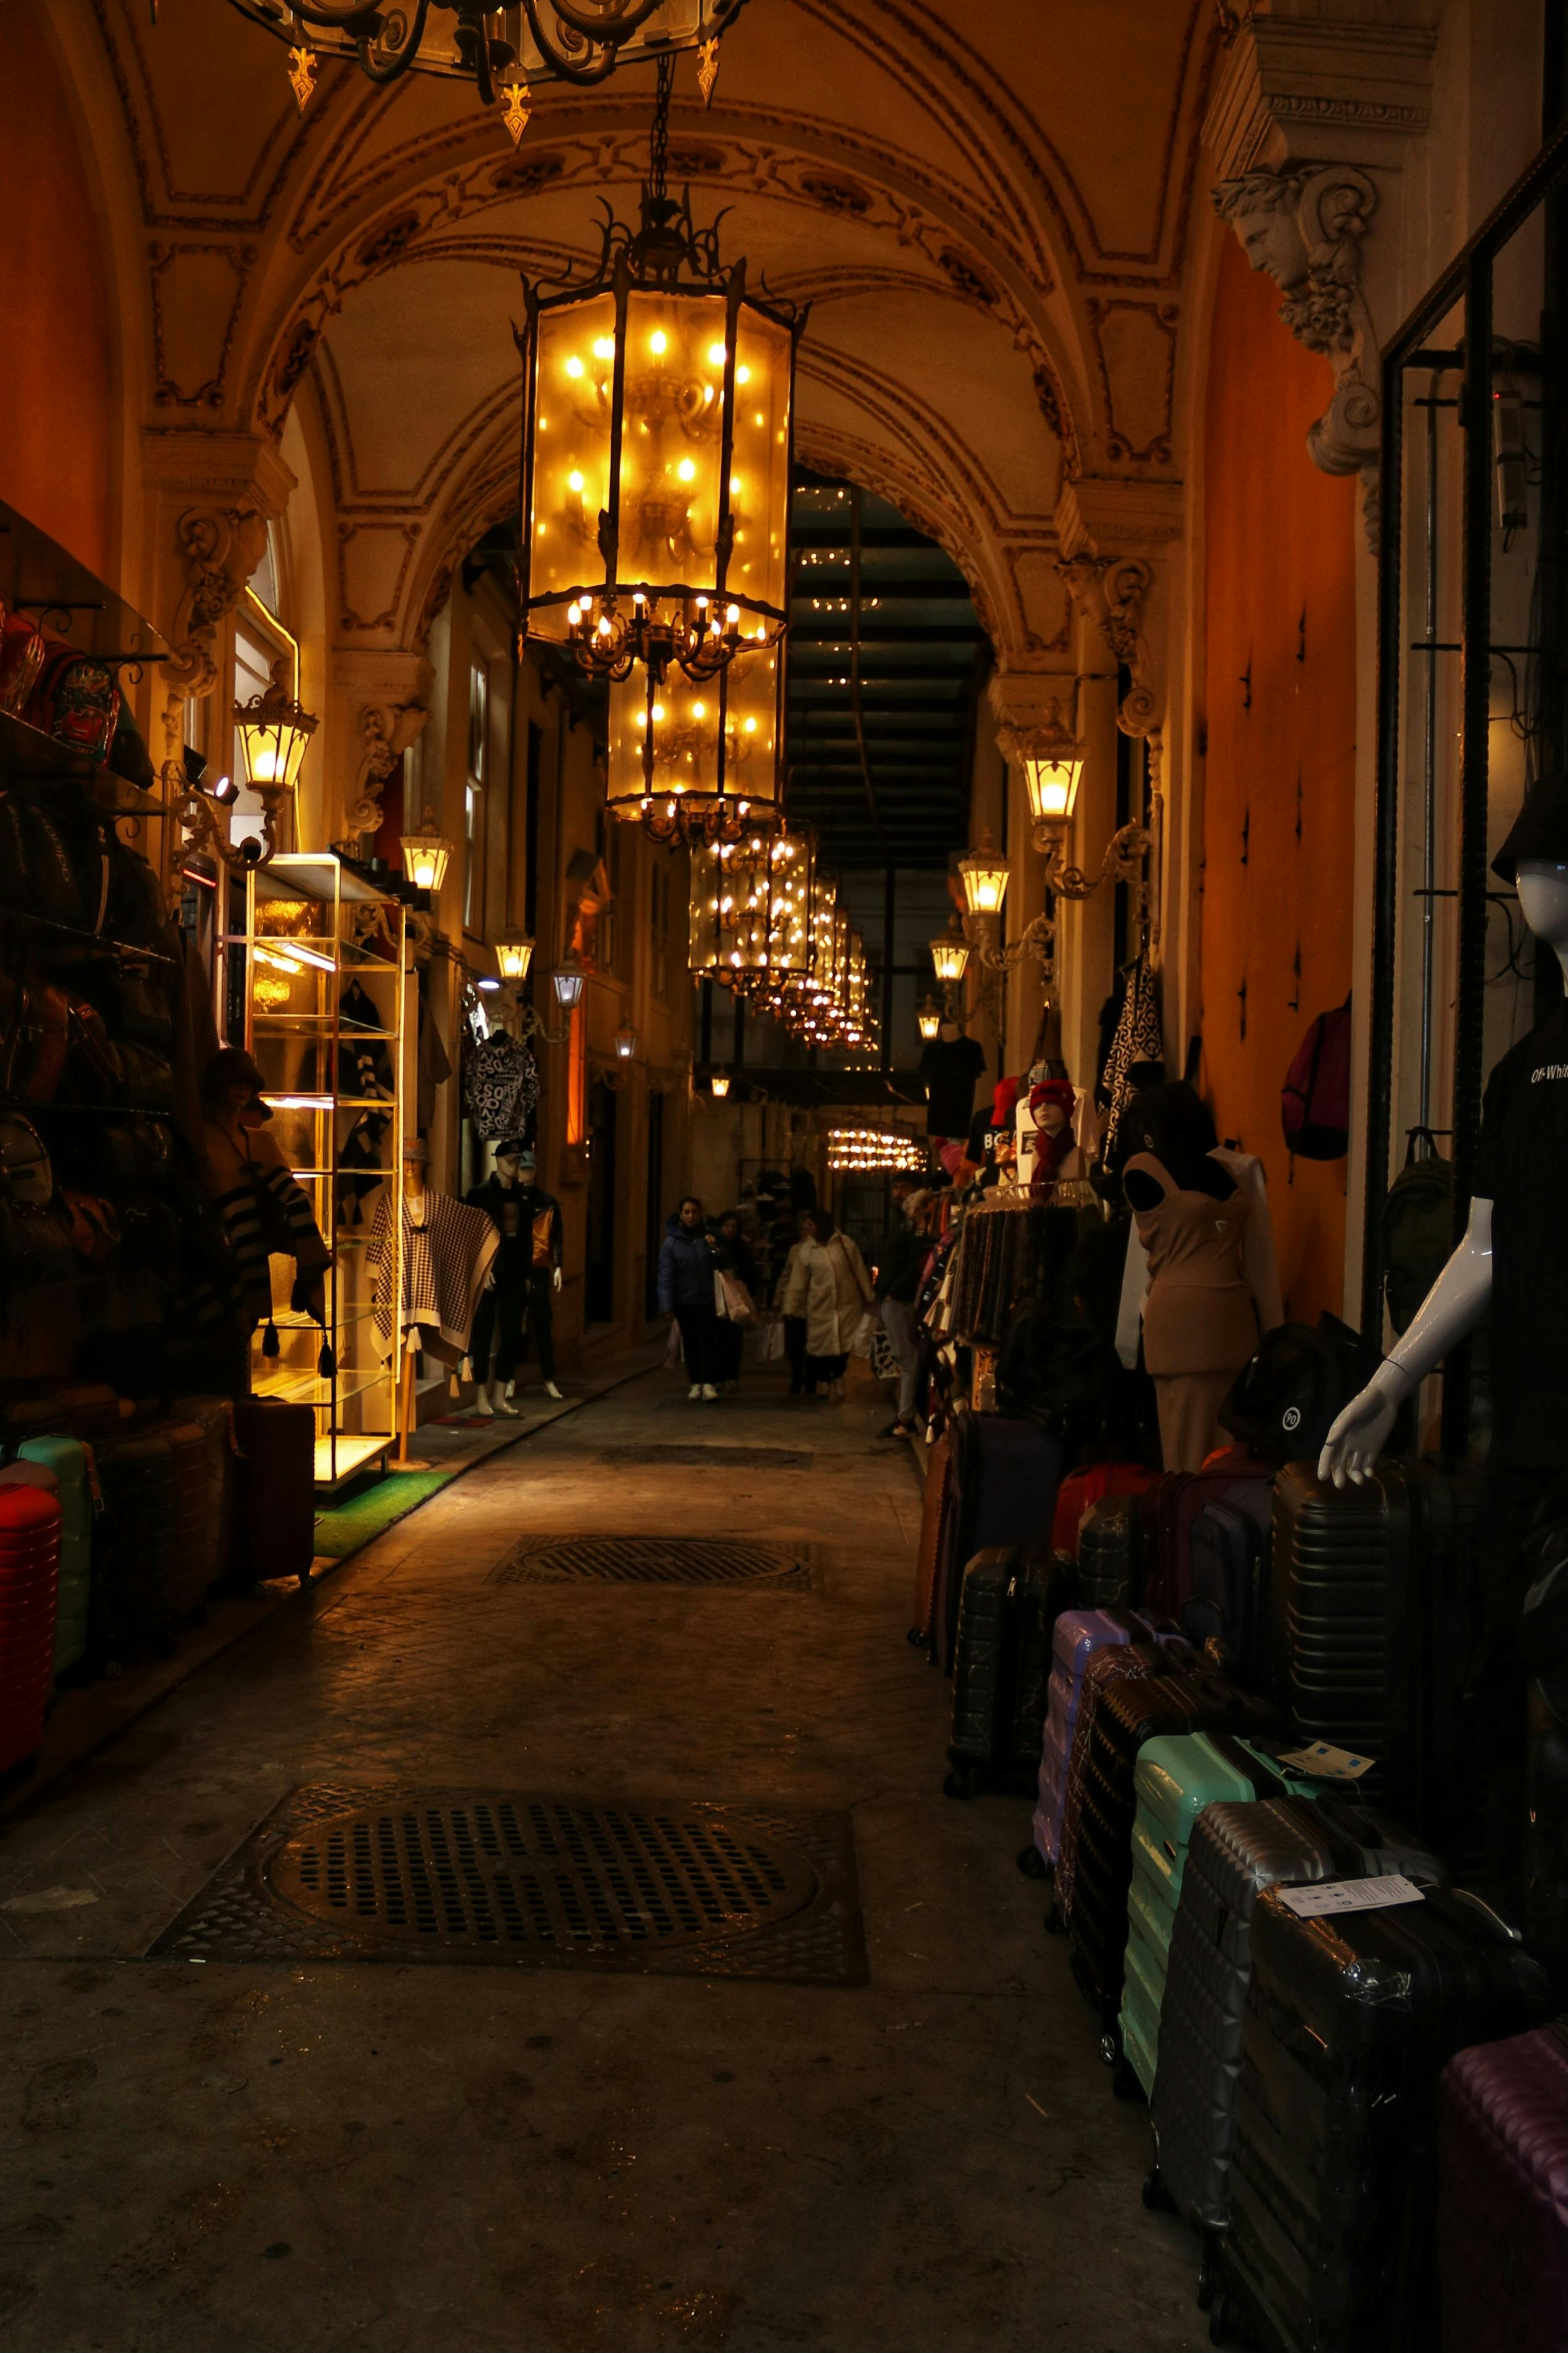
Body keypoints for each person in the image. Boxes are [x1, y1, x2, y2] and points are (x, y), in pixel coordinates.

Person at [779, 1205, 874, 1400]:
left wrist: (869, 1295)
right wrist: (791, 1307)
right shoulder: (807, 1251)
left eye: (810, 1225)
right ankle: (823, 1380)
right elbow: (798, 1282)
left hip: (847, 1304)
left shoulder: (845, 1244)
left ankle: (838, 1375)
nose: (807, 1230)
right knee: (820, 1345)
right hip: (820, 1305)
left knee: (845, 1343)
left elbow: (859, 1271)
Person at [873, 1172, 926, 1436]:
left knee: (907, 1359)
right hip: (894, 1296)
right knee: (905, 1358)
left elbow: (915, 1261)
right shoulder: (902, 1224)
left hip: (899, 1298)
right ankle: (905, 1415)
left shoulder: (914, 1226)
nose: (896, 1194)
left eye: (902, 1188)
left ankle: (906, 1419)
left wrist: (894, 1291)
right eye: (895, 1188)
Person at [658, 1194, 719, 1401]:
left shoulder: (708, 1237)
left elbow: (722, 1263)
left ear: (700, 1214)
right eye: (687, 1212)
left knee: (709, 1340)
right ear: (681, 1215)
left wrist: (714, 1248)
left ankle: (709, 1382)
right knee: (691, 1342)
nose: (691, 1216)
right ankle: (695, 1383)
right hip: (684, 1301)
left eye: (694, 1212)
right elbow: (666, 1275)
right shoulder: (672, 1244)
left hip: (708, 1299)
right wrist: (666, 1305)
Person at [709, 1209, 761, 1394]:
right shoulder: (712, 1247)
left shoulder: (741, 1248)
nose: (730, 1230)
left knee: (733, 1338)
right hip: (715, 1297)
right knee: (716, 1338)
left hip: (736, 1299)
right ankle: (716, 1377)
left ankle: (731, 1376)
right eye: (726, 1226)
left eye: (734, 1226)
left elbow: (751, 1274)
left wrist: (749, 1294)